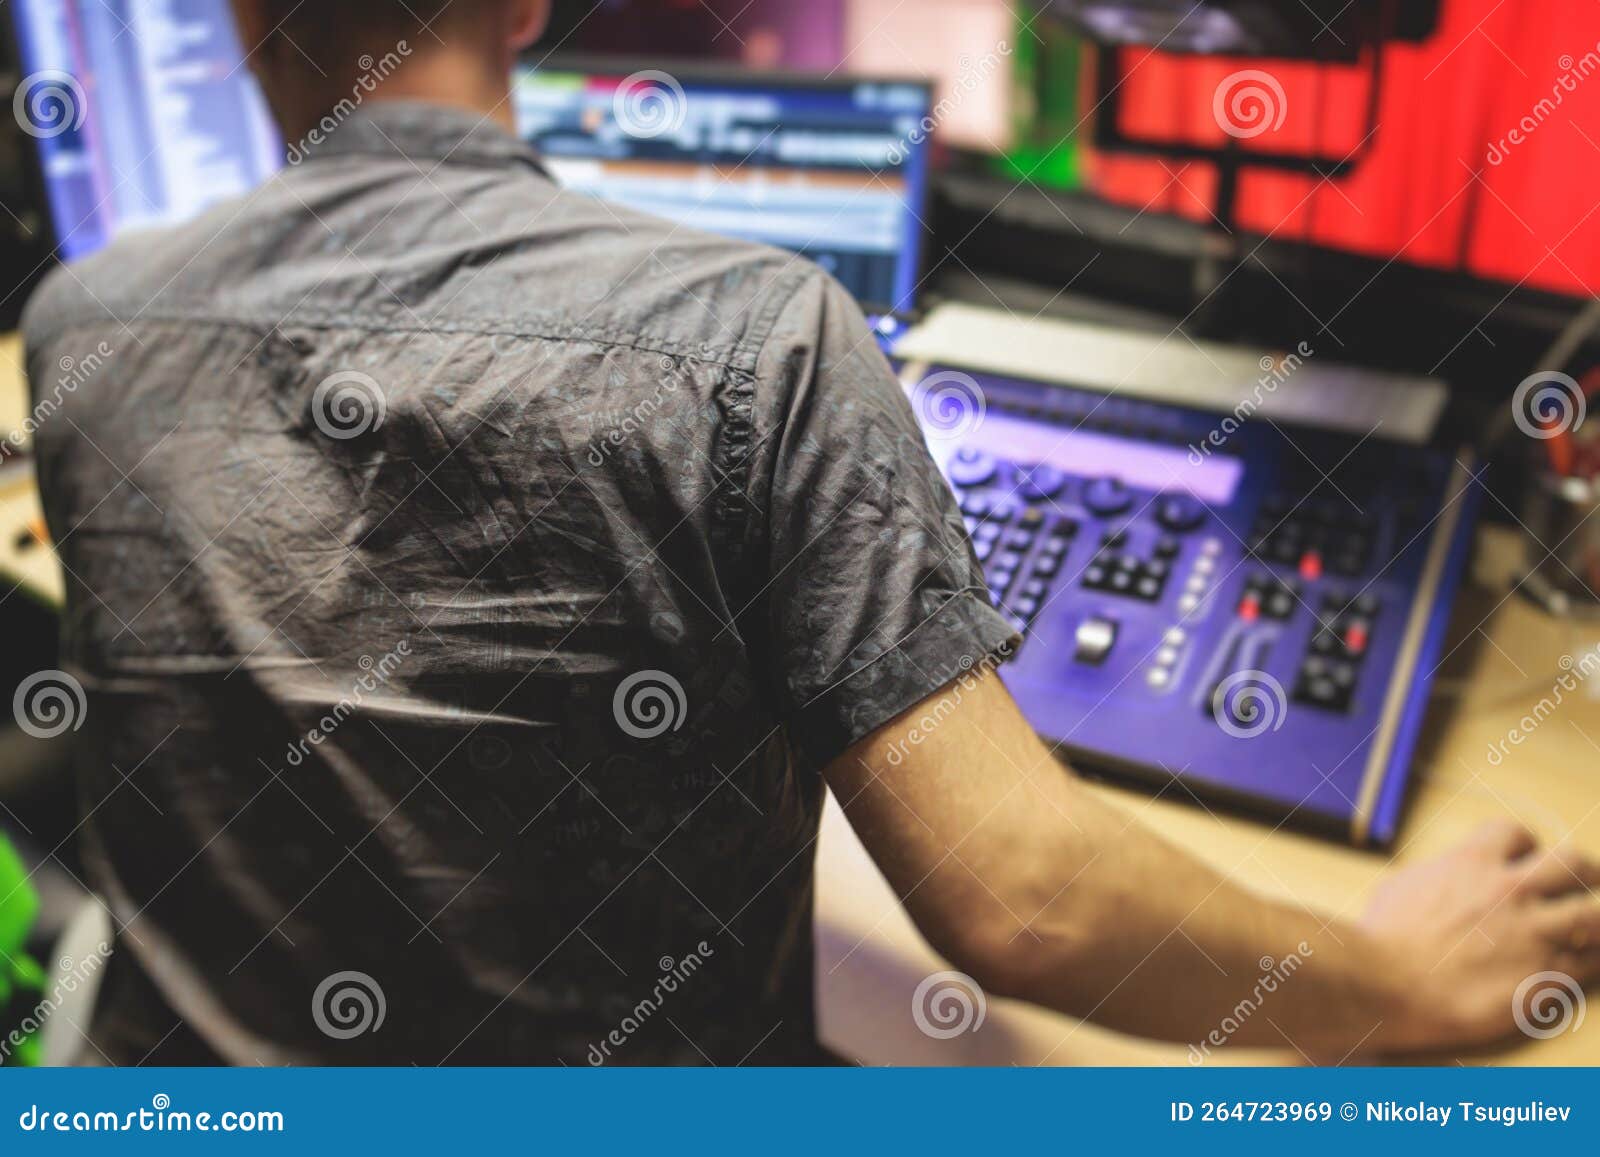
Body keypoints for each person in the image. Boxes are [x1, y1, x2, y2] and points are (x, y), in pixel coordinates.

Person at [20, 0, 1599, 1066]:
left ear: (230, 17)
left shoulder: (83, 327)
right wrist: (1399, 979)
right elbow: (1026, 903)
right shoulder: (754, 334)